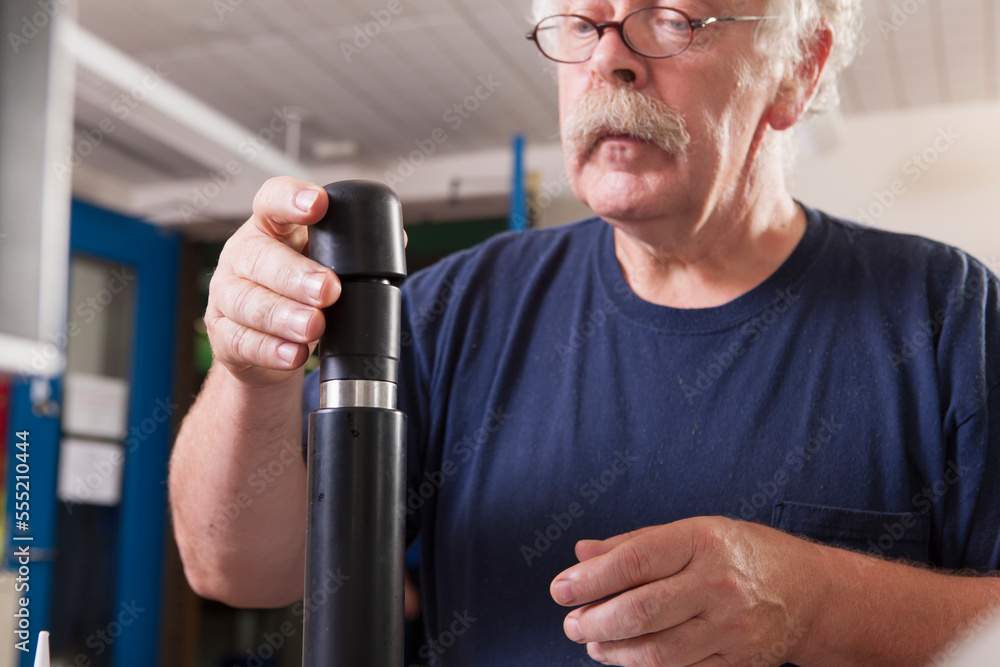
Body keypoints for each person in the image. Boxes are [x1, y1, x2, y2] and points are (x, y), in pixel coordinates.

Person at [168, 1, 1000, 665]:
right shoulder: (454, 309)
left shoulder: (946, 315)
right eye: (580, 22)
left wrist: (819, 603)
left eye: (673, 18)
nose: (610, 58)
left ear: (797, 68)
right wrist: (249, 375)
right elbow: (239, 569)